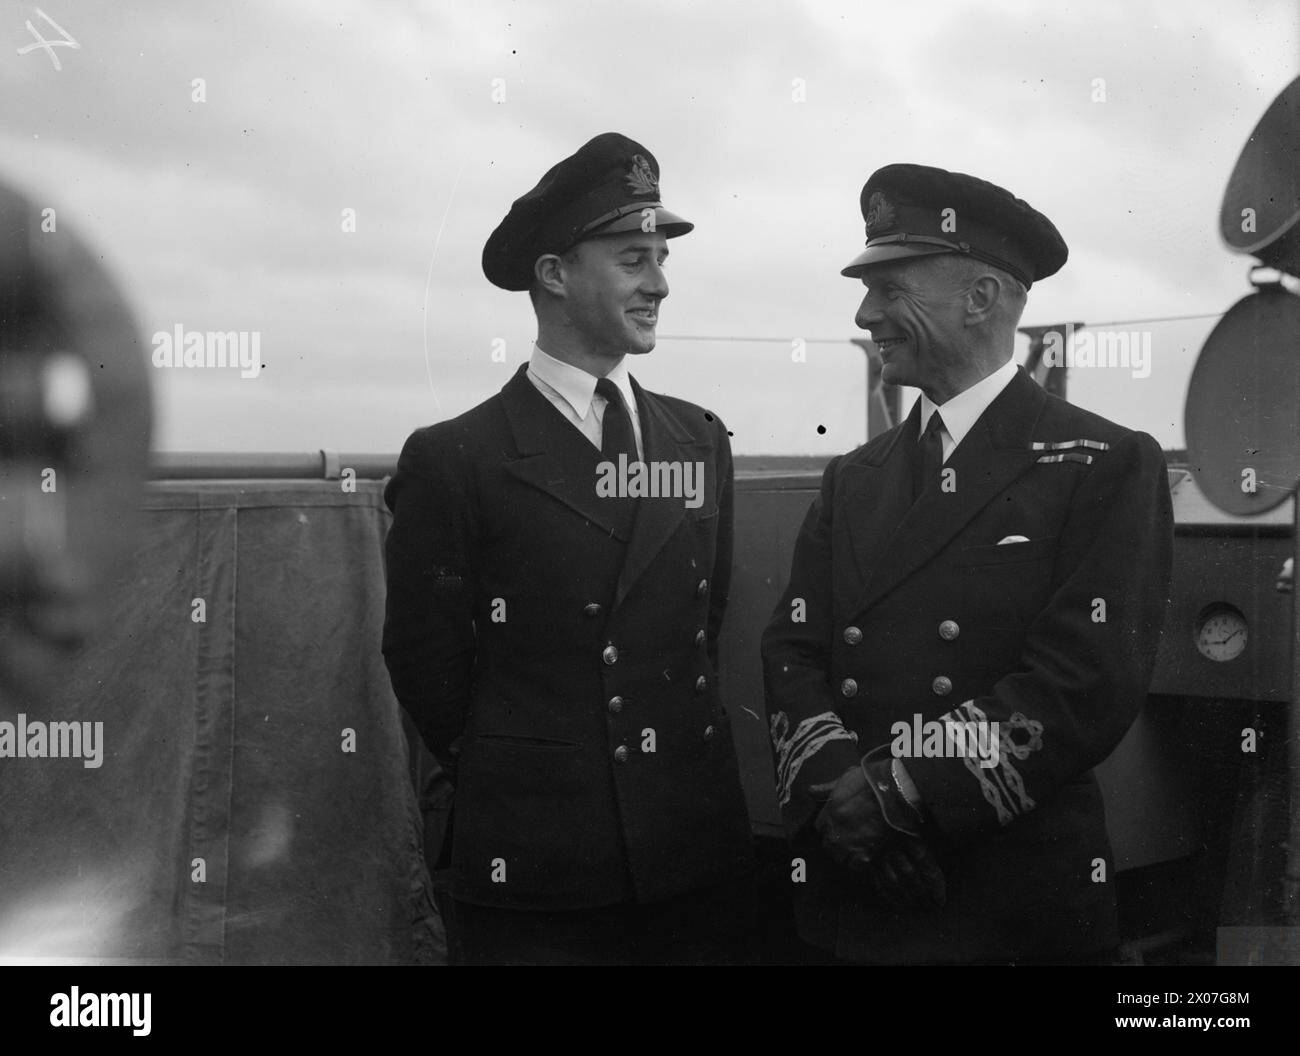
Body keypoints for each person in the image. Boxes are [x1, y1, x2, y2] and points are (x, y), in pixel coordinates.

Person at [761, 163, 1174, 964]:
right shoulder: (856, 475)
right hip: (861, 889)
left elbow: (1082, 684)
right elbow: (793, 649)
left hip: (1006, 903)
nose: (864, 313)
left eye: (889, 288)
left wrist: (901, 793)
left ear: (980, 299)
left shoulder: (1105, 463)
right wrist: (846, 803)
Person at [382, 132, 754, 965]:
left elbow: (702, 619)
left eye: (661, 259)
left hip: (692, 850)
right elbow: (424, 657)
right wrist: (532, 763)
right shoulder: (458, 457)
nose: (659, 283)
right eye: (633, 259)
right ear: (553, 274)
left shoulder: (696, 439)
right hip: (542, 864)